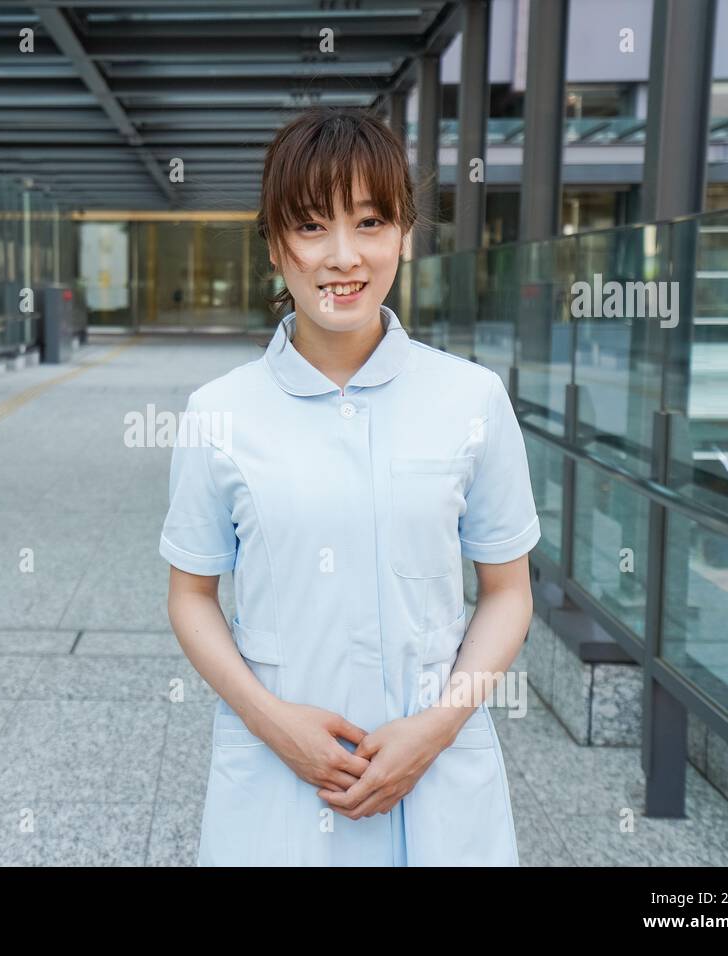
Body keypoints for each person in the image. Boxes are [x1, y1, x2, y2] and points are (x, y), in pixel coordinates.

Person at [159, 106, 541, 866]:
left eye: (370, 222)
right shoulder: (218, 413)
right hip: (277, 777)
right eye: (310, 227)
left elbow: (508, 591)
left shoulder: (470, 398)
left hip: (439, 774)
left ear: (404, 233)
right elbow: (190, 597)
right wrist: (275, 725)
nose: (344, 257)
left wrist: (436, 729)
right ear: (274, 244)